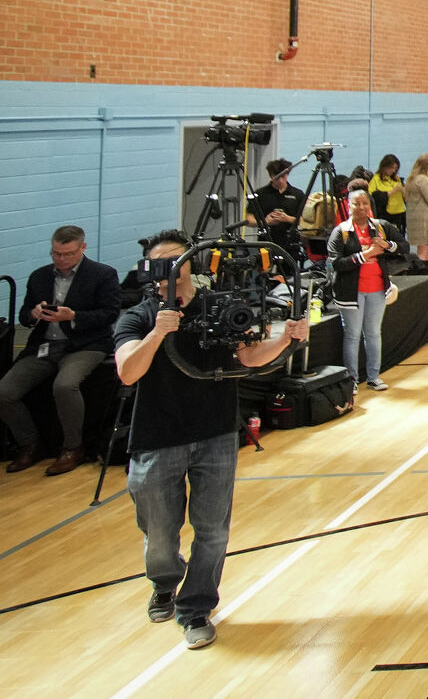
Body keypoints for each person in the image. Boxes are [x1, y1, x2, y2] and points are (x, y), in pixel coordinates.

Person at [115, 232, 307, 649]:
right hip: (157, 437)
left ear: (190, 263)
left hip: (216, 433)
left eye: (174, 259)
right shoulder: (137, 317)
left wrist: (288, 337)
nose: (167, 269)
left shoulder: (216, 307)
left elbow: (249, 358)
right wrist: (158, 333)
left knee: (213, 531)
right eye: (158, 262)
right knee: (161, 536)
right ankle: (164, 582)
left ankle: (196, 608)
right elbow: (128, 372)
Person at [1, 226, 122, 475]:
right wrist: (33, 315)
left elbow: (109, 314)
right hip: (44, 345)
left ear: (82, 248)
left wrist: (74, 316)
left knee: (65, 385)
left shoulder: (103, 274)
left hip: (85, 345)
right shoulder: (39, 276)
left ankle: (73, 448)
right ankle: (30, 444)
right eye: (56, 253)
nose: (61, 259)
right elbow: (24, 316)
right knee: (4, 392)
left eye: (67, 254)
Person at [329, 185, 405, 391]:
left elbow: (403, 246)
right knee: (352, 335)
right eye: (357, 203)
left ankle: (373, 376)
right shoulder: (341, 232)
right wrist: (365, 255)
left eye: (365, 203)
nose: (361, 207)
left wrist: (388, 245)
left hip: (377, 289)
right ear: (348, 205)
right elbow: (336, 263)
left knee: (373, 333)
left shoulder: (380, 226)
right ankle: (351, 380)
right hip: (349, 293)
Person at [248, 158, 306, 243]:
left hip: (291, 244)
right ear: (271, 176)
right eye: (276, 177)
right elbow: (248, 219)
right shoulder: (260, 194)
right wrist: (265, 222)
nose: (280, 181)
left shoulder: (298, 194)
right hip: (266, 243)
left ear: (287, 174)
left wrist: (287, 219)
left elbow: (306, 221)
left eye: (283, 176)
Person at [367, 153, 406, 224]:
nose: (393, 171)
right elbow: (371, 197)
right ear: (384, 166)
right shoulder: (376, 178)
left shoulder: (396, 178)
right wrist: (392, 191)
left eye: (395, 168)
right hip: (385, 214)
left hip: (399, 212)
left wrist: (403, 190)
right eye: (391, 168)